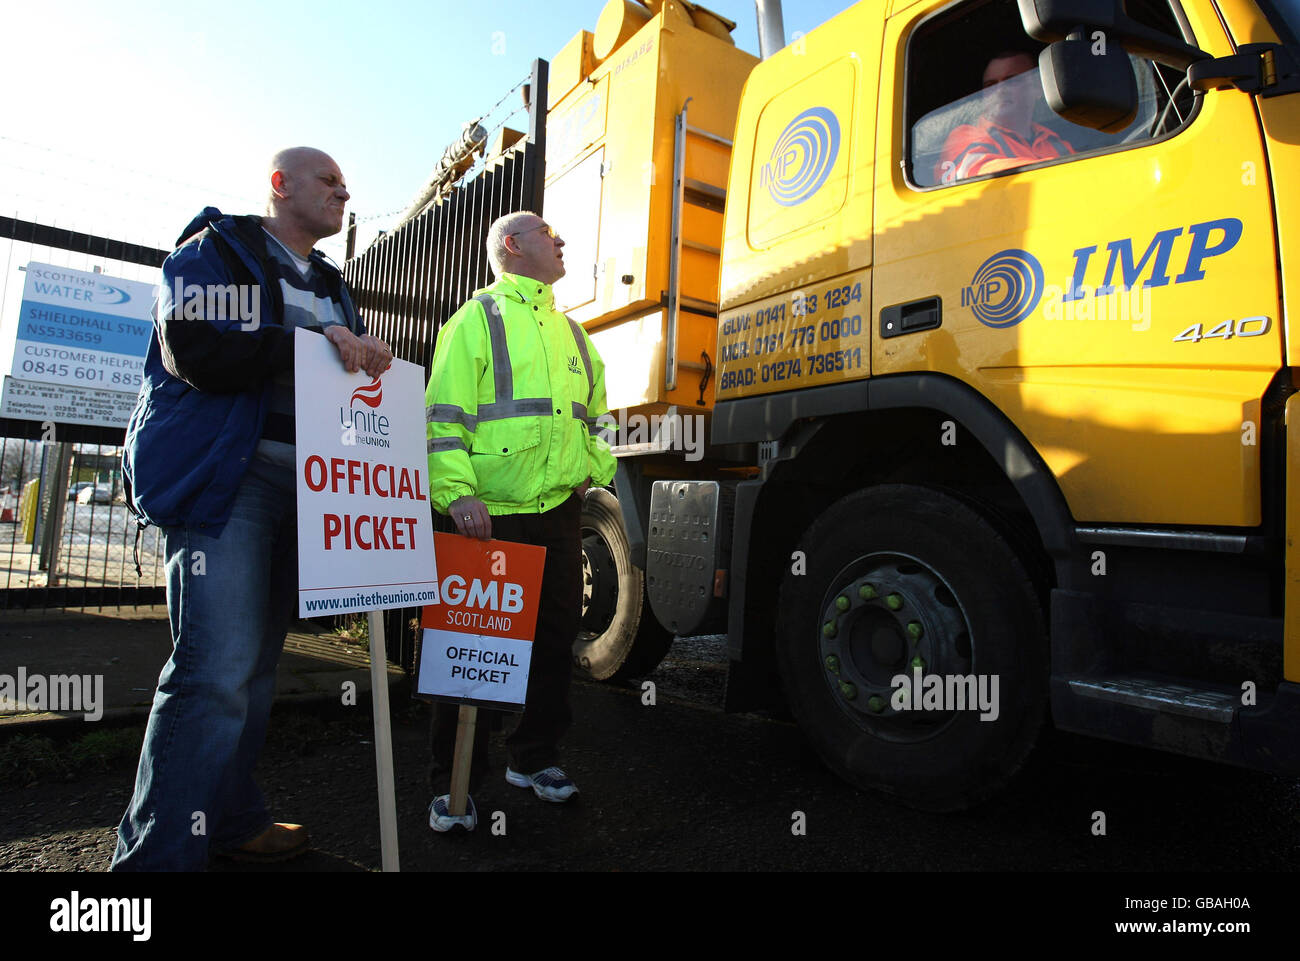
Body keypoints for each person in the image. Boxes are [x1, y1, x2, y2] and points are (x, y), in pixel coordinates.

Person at [113, 147, 392, 870]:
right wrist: (313, 341)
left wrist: (366, 363)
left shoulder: (332, 283)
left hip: (306, 493)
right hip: (230, 484)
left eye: (343, 180)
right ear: (279, 185)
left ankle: (229, 819)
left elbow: (332, 379)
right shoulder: (214, 253)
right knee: (215, 670)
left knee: (257, 669)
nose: (344, 189)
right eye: (329, 179)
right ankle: (153, 863)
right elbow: (197, 348)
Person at [423, 210, 617, 831]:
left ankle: (533, 759)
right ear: (511, 245)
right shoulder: (475, 320)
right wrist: (456, 495)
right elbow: (442, 416)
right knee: (473, 651)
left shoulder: (575, 335)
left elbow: (597, 417)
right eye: (547, 233)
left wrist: (591, 469)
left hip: (558, 513)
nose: (560, 240)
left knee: (554, 642)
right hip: (488, 518)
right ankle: (453, 784)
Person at [936, 50, 1075, 183]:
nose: (1000, 90)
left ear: (1038, 88)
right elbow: (978, 172)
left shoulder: (1054, 142)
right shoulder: (965, 136)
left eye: (1011, 81)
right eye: (990, 85)